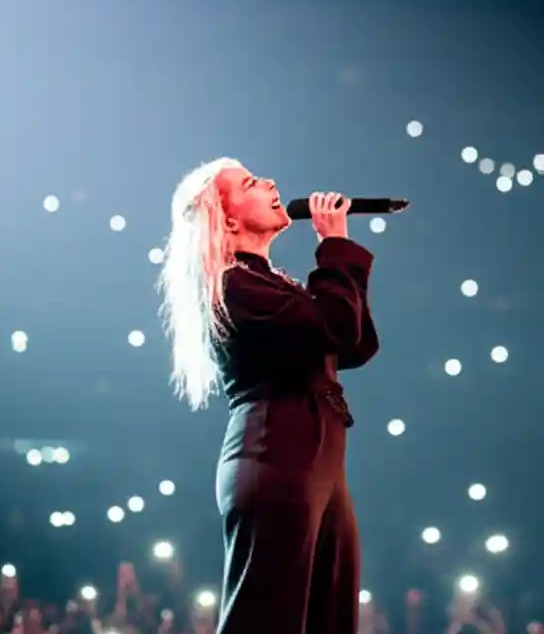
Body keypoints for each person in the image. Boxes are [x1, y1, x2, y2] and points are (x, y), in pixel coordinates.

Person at [158, 158, 380, 633]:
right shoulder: (234, 287)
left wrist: (339, 257)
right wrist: (335, 246)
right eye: (250, 183)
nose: (271, 182)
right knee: (268, 619)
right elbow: (336, 326)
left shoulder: (269, 282)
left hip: (316, 463)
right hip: (277, 455)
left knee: (329, 615)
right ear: (229, 218)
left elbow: (355, 344)